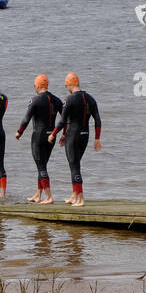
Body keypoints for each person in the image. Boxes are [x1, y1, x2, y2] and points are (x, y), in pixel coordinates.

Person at [50, 72, 101, 207]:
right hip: (85, 135)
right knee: (76, 164)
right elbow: (97, 120)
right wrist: (97, 139)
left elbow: (62, 122)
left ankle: (81, 199)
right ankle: (74, 195)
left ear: (69, 84)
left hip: (73, 136)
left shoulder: (69, 100)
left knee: (74, 166)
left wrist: (53, 134)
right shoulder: (91, 98)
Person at [15, 74, 63, 204]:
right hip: (51, 136)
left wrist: (19, 132)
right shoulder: (57, 100)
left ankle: (49, 197)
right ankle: (38, 194)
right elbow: (65, 118)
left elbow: (26, 118)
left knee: (41, 166)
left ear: (37, 86)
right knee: (42, 165)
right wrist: (63, 133)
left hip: (39, 136)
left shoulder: (35, 100)